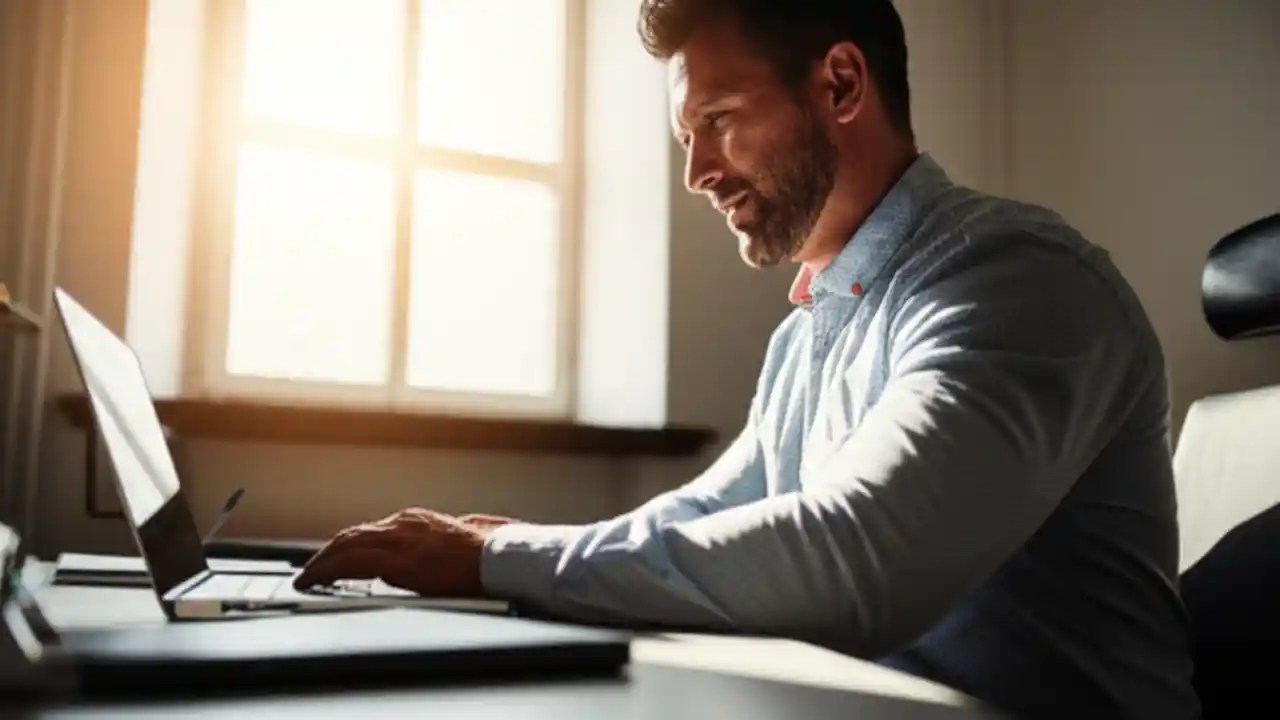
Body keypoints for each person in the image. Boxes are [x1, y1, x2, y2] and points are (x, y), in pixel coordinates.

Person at [294, 1, 1200, 715]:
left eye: (719, 120)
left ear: (841, 83)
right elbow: (716, 512)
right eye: (687, 136)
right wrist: (504, 550)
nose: (697, 171)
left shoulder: (1016, 280)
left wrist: (501, 559)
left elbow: (854, 556)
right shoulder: (814, 323)